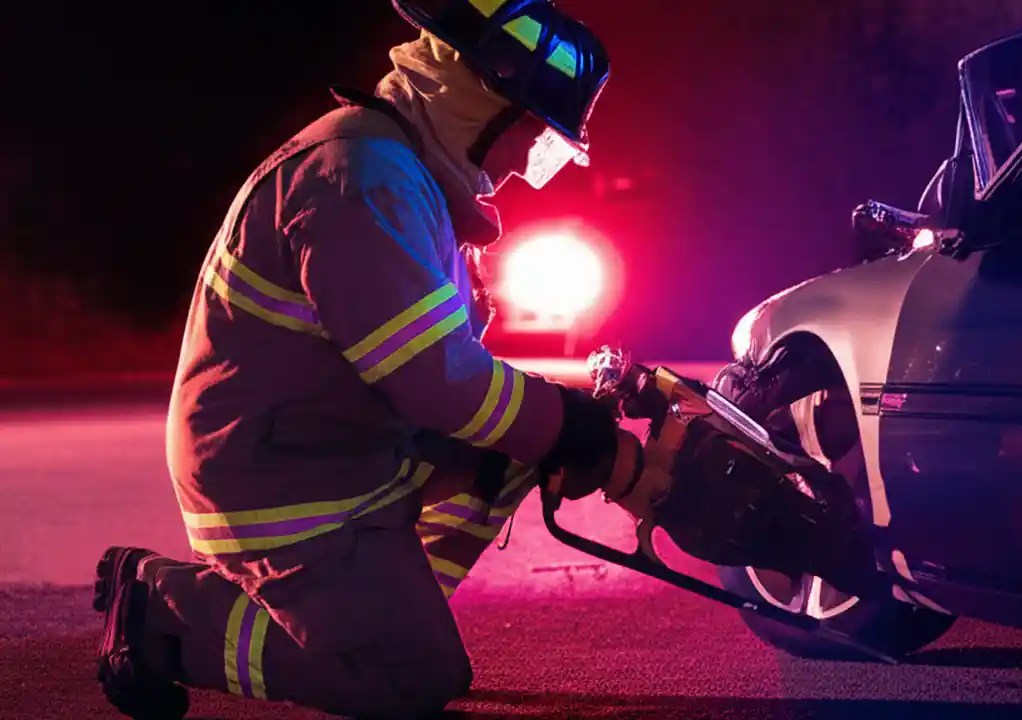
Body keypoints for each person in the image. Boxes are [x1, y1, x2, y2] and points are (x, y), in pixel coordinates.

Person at [92, 1, 636, 717]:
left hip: (334, 448)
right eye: (527, 138)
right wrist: (570, 424)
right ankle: (161, 615)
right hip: (279, 480)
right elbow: (436, 380)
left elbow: (442, 379)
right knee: (412, 679)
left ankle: (374, 608)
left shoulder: (395, 171)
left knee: (518, 449)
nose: (516, 167)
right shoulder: (363, 180)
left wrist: (557, 425)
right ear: (476, 99)